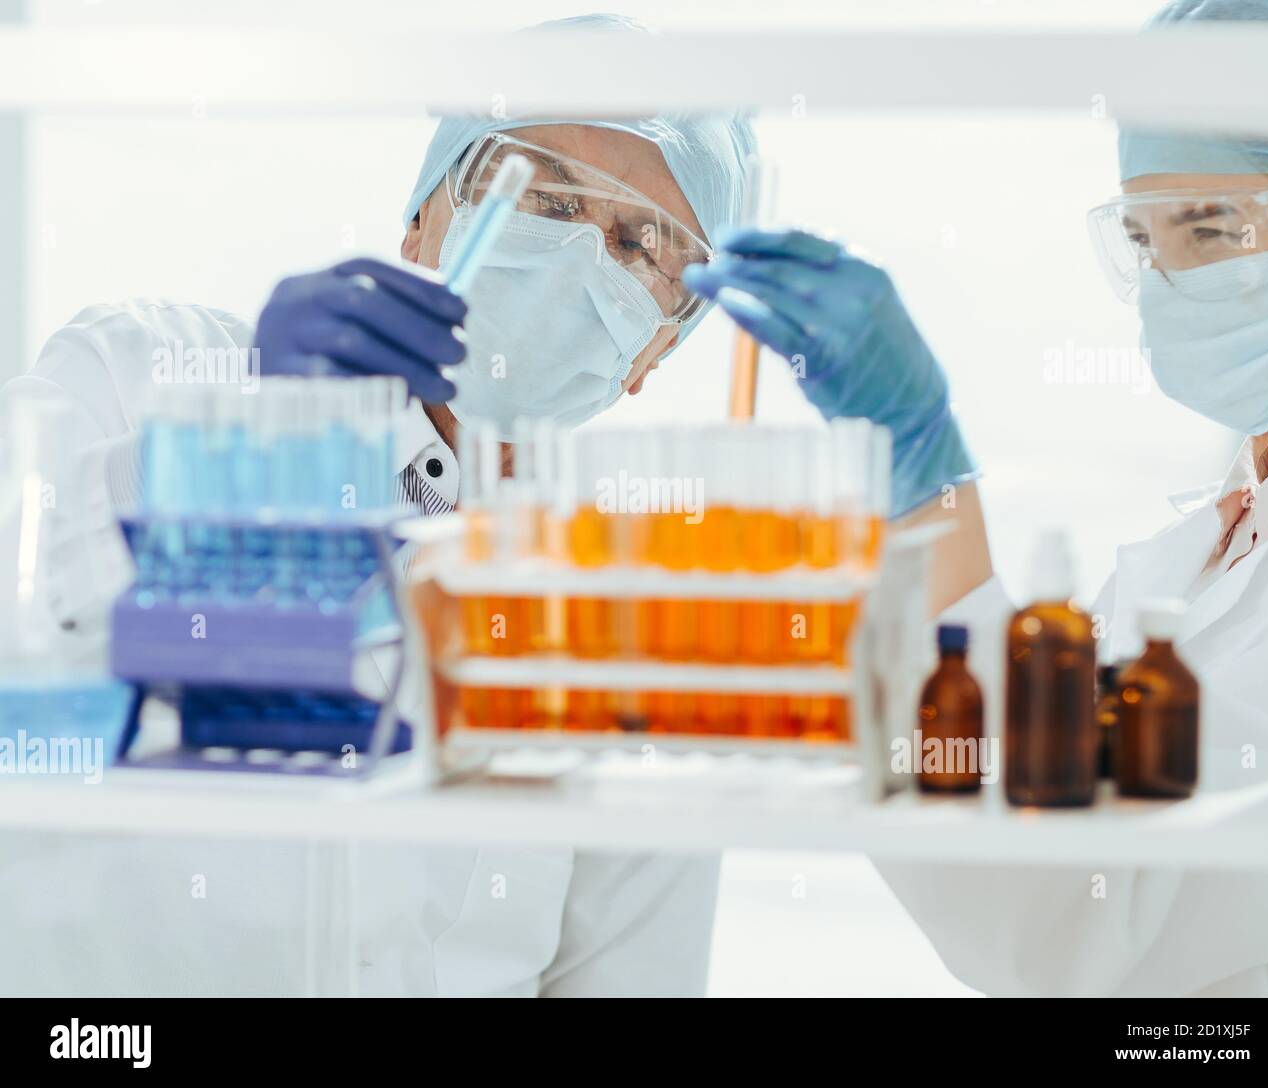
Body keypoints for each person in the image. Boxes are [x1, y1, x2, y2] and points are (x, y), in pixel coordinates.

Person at [0, 14, 762, 997]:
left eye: (637, 245)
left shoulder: (636, 635)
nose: (580, 255)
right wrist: (243, 442)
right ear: (421, 220)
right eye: (541, 191)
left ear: (656, 351)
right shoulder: (140, 372)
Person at [692, 0, 1268, 997]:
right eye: (1144, 241)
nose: (1168, 282)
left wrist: (930, 488)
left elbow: (1074, 909)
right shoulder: (1202, 549)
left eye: (1208, 227)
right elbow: (1015, 816)